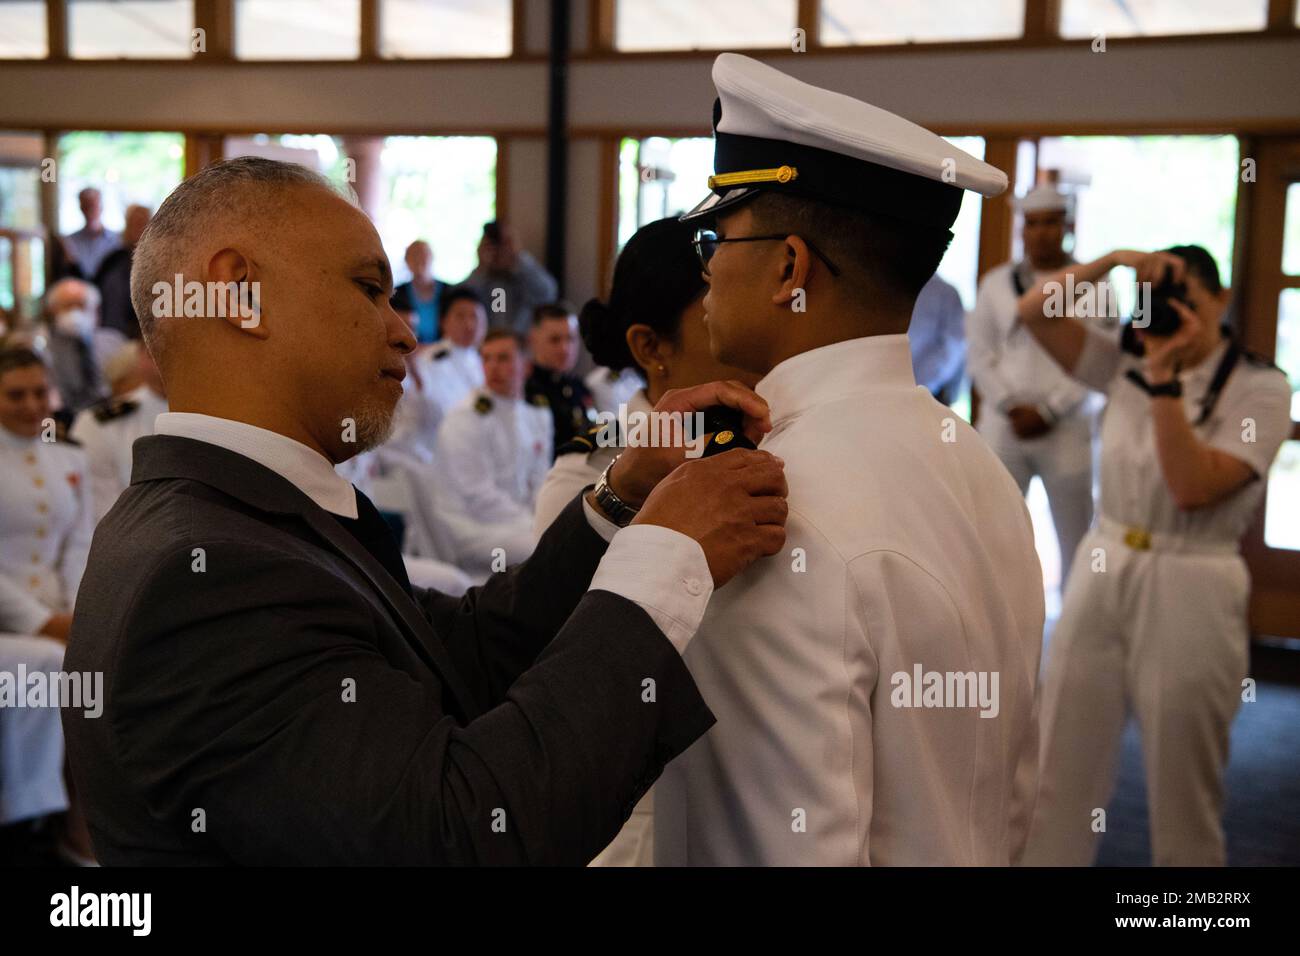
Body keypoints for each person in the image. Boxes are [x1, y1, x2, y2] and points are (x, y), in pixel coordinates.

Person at [60, 156, 789, 865]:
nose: (405, 330)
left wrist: (620, 499)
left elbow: (462, 655)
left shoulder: (239, 518)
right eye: (368, 288)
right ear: (240, 294)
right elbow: (458, 833)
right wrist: (665, 559)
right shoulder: (204, 579)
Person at [654, 53, 1044, 866]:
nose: (707, 268)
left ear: (789, 269)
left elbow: (773, 844)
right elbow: (1006, 791)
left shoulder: (765, 500)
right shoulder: (976, 466)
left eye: (714, 238)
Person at [1014, 246, 1292, 867]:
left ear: (1221, 300)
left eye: (1189, 297)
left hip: (1195, 575)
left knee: (1183, 788)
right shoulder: (1120, 363)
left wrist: (1165, 377)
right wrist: (1112, 261)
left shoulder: (1261, 387)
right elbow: (1033, 310)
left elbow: (1191, 489)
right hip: (1104, 557)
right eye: (1163, 297)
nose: (1174, 310)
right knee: (1061, 762)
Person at [532, 215, 762, 867]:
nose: (740, 333)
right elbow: (569, 669)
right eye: (714, 307)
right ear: (650, 346)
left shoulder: (758, 443)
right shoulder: (591, 477)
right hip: (645, 816)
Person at [966, 185, 1113, 585]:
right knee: (994, 529)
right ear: (1022, 229)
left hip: (1066, 427)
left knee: (1075, 534)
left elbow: (1100, 364)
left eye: (1051, 223)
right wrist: (1010, 404)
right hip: (1005, 424)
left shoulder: (1095, 286)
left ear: (1067, 226)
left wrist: (1051, 409)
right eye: (1033, 224)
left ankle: (1073, 631)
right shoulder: (995, 283)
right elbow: (979, 354)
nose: (1042, 233)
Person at [434, 330, 552, 574]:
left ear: (526, 366)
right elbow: (477, 495)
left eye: (503, 358)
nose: (493, 367)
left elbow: (541, 482)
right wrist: (533, 524)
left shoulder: (538, 415)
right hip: (472, 527)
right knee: (551, 549)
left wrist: (545, 517)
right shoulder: (466, 417)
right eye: (486, 359)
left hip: (517, 523)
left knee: (565, 541)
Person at [0, 347, 93, 644]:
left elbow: (79, 544)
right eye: (16, 395)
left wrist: (79, 612)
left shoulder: (70, 456)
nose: (32, 405)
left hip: (61, 613)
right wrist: (40, 622)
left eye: (40, 393)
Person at [70, 341, 168, 523]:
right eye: (157, 349)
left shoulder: (227, 413)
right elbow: (99, 515)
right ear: (143, 355)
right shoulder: (100, 424)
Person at [525, 303, 597, 457]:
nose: (565, 348)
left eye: (571, 339)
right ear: (533, 340)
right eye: (555, 340)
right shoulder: (525, 390)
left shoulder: (580, 387)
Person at [463, 220, 558, 335]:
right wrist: (481, 268)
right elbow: (461, 299)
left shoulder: (525, 277)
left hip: (522, 345)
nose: (499, 249)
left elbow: (548, 292)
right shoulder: (479, 282)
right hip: (484, 346)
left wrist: (518, 258)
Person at [93, 203, 151, 340]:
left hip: (141, 338)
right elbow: (94, 289)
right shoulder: (113, 259)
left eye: (142, 223)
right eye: (134, 223)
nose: (138, 228)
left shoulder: (158, 262)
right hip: (107, 333)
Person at [908, 272, 967, 403]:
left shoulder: (945, 292)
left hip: (929, 392)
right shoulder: (884, 285)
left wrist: (917, 385)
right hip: (888, 390)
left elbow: (952, 349)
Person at [389, 240, 448, 344]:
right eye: (413, 256)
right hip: (409, 352)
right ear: (406, 261)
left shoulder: (448, 291)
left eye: (423, 255)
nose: (419, 260)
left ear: (432, 258)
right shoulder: (396, 294)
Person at [63, 187, 121, 279]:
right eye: (86, 206)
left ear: (101, 207)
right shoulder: (70, 242)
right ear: (81, 208)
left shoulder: (117, 240)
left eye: (93, 206)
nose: (90, 211)